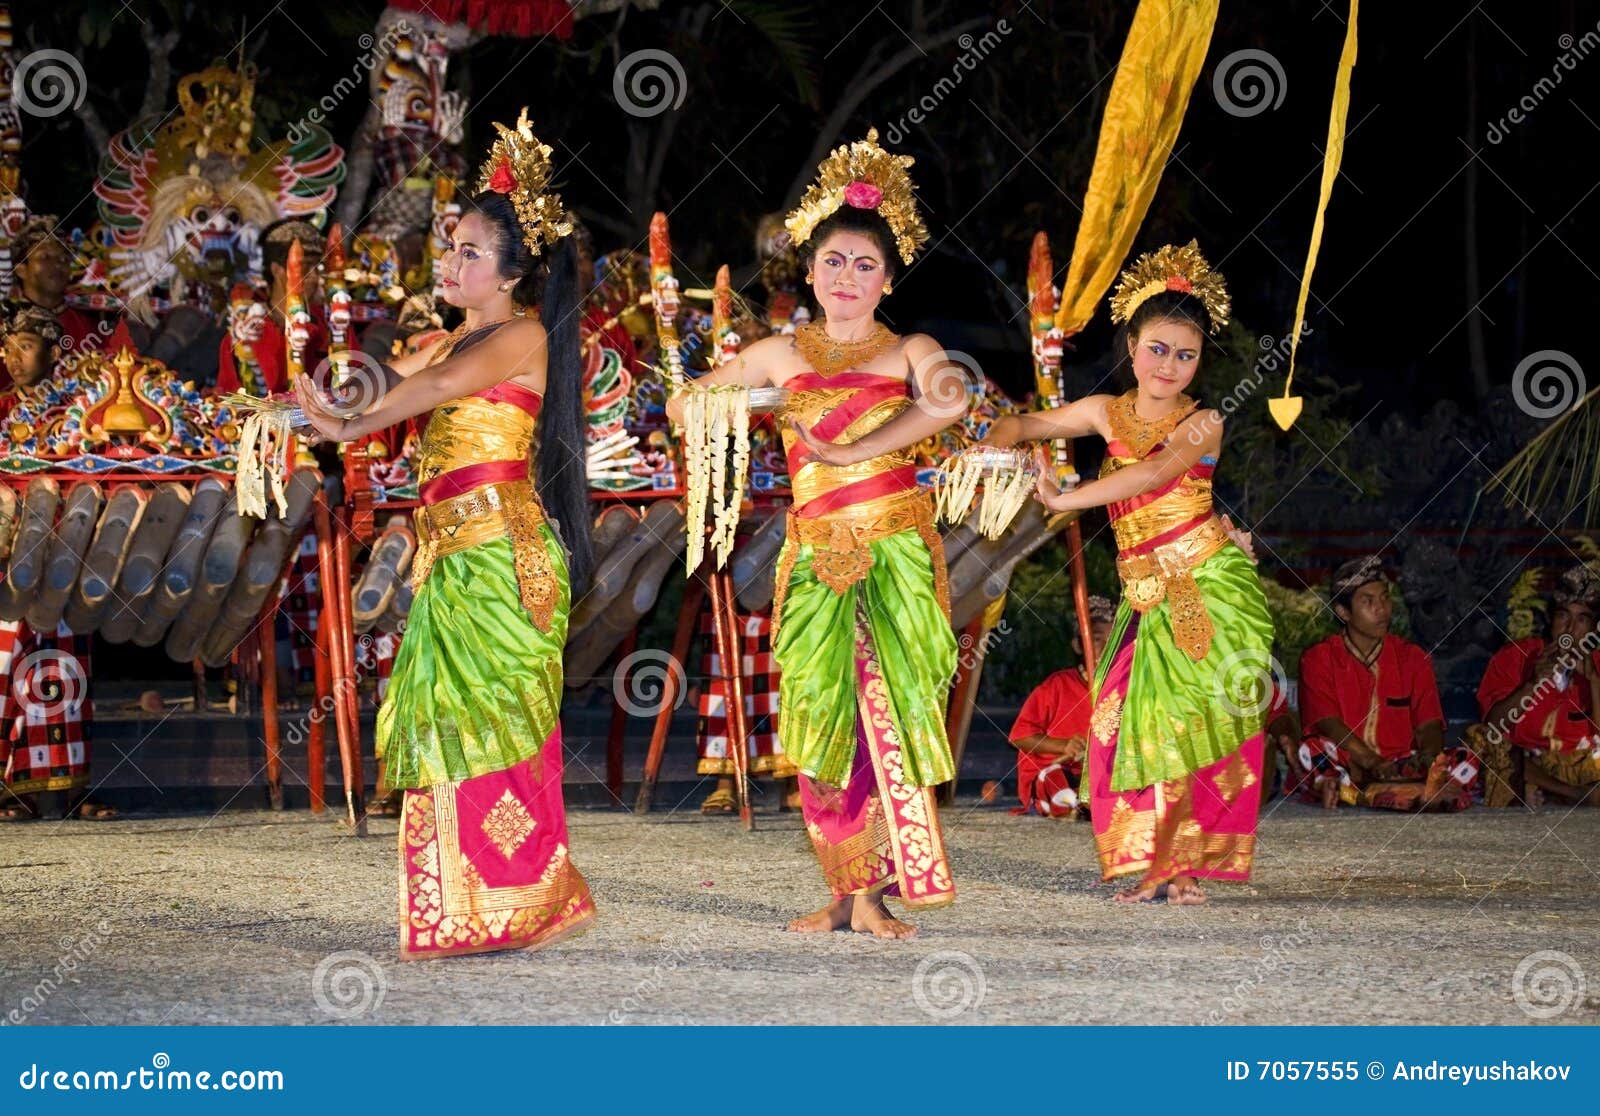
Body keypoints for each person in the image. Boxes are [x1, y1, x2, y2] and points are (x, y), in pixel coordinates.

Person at [295, 109, 596, 958]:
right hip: (453, 556)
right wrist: (319, 402)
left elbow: (425, 393)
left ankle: (511, 901)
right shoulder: (455, 336)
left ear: (510, 272)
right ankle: (462, 908)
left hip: (502, 556)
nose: (451, 260)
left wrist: (349, 419)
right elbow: (387, 388)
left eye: (469, 250)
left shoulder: (521, 335)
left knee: (490, 720)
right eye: (451, 246)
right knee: (442, 716)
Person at [666, 130, 961, 939]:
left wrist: (850, 448)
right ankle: (842, 890)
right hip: (815, 555)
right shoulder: (778, 353)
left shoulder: (911, 349)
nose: (847, 277)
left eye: (866, 265)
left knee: (889, 713)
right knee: (822, 712)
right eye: (833, 262)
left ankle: (874, 895)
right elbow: (687, 403)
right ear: (810, 270)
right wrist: (726, 405)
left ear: (889, 278)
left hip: (895, 552)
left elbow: (949, 402)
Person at [985, 241, 1273, 905]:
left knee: (1186, 727)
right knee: (1116, 723)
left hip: (1204, 587)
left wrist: (1063, 497)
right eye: (1157, 348)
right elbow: (1030, 421)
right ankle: (1151, 861)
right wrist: (1003, 432)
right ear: (1132, 345)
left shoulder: (1204, 422)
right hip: (1144, 595)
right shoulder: (1103, 412)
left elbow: (1152, 473)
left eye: (1186, 354)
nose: (1168, 364)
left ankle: (1183, 867)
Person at [1295, 556, 1471, 812]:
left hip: (1399, 765)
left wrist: (1431, 761)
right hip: (1350, 764)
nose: (1381, 608)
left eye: (1385, 598)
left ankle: (1378, 793)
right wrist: (1371, 762)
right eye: (1368, 601)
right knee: (1312, 750)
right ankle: (1375, 792)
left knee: (1468, 756)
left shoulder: (1412, 657)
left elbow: (1428, 724)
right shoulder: (1318, 658)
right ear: (1343, 612)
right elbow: (1327, 723)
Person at [1471, 564, 1600, 807]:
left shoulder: (1598, 666)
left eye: (1582, 620)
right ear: (1551, 620)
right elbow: (1493, 727)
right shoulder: (1516, 655)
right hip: (1525, 762)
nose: (1570, 629)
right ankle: (1571, 795)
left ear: (1593, 630)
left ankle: (1544, 793)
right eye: (1563, 616)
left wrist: (1593, 681)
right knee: (1480, 740)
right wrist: (1532, 684)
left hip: (1579, 764)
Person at [1007, 594, 1114, 817]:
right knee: (1057, 779)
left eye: (1111, 640)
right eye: (1096, 639)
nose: (1104, 648)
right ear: (1078, 644)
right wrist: (1064, 746)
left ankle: (1089, 805)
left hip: (1091, 775)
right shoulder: (1057, 685)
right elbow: (1019, 737)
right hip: (1053, 771)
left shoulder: (1121, 688)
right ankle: (1078, 805)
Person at [216, 218, 328, 395]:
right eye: (305, 268)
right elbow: (230, 400)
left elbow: (356, 379)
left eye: (318, 268)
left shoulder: (330, 323)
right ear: (277, 270)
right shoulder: (247, 331)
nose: (314, 278)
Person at [1, 217, 100, 391]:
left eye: (63, 259)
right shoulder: (5, 324)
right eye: (44, 257)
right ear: (21, 269)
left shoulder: (91, 328)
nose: (56, 265)